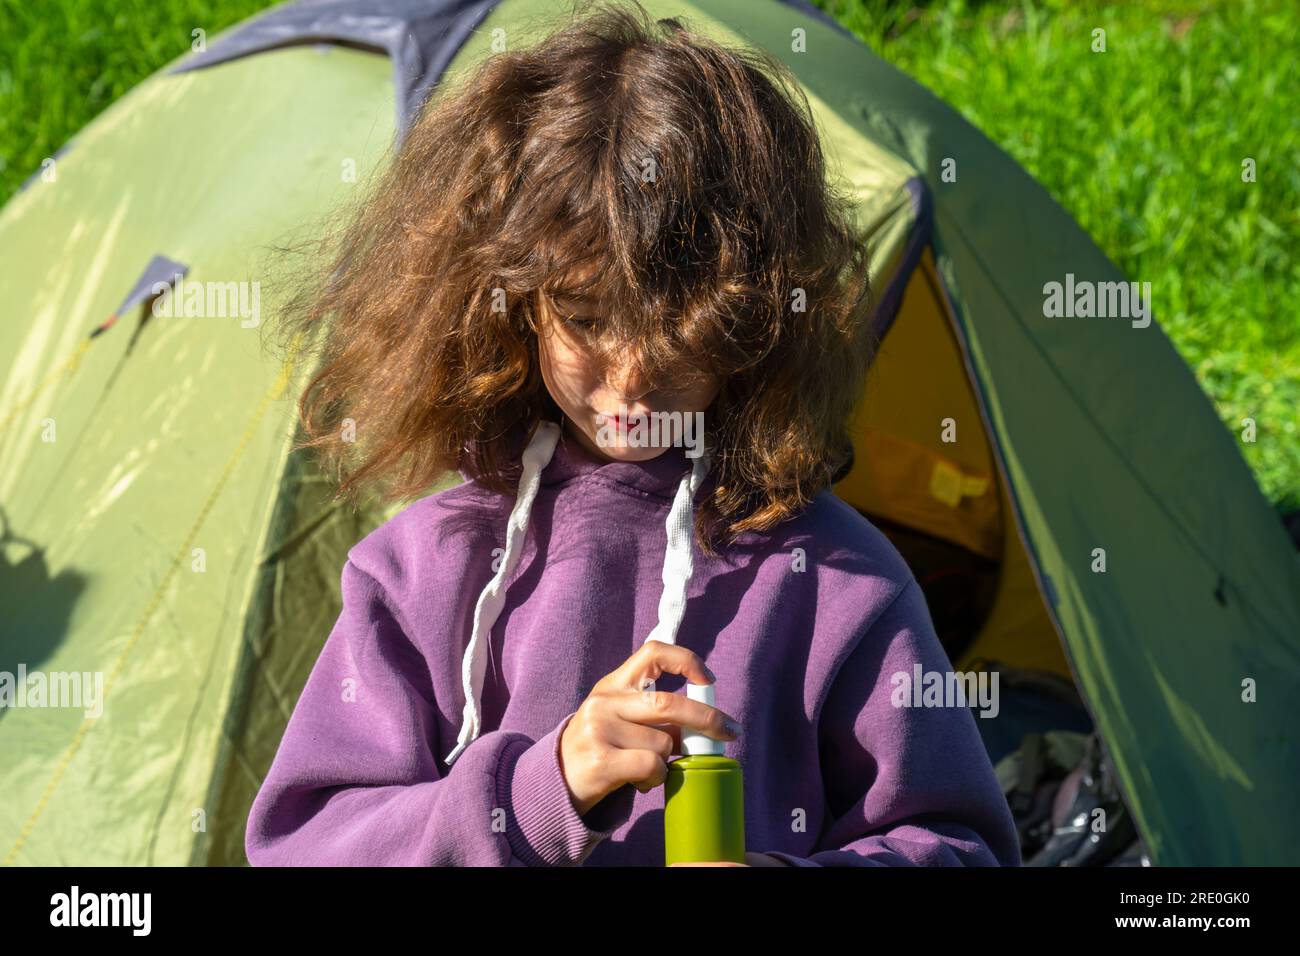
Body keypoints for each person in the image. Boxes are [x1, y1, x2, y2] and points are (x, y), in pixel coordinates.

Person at [245, 1, 1019, 867]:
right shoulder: (419, 573)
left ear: (756, 323)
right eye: (584, 317)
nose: (629, 381)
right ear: (507, 305)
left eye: (680, 331)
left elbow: (961, 847)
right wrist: (537, 793)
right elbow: (303, 850)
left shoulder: (840, 581)